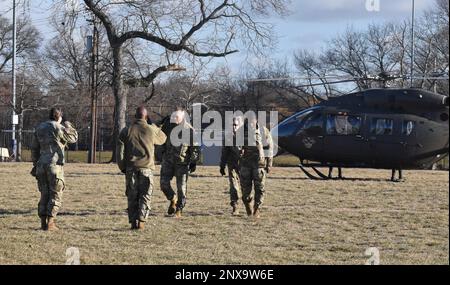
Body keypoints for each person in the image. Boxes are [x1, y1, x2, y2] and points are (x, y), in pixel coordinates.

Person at [117, 106, 167, 230]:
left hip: (131, 168)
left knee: (132, 196)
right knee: (145, 196)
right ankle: (142, 220)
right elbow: (163, 138)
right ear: (146, 116)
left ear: (135, 116)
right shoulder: (150, 130)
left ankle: (133, 221)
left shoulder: (126, 130)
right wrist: (154, 125)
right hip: (147, 169)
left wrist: (122, 166)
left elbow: (120, 151)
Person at [31, 108, 78, 231]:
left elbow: (34, 149)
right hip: (54, 165)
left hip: (41, 165)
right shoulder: (59, 127)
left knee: (44, 194)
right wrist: (67, 124)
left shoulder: (40, 128)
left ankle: (42, 222)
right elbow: (73, 138)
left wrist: (35, 165)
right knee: (56, 194)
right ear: (59, 117)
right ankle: (50, 223)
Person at [160, 108, 200, 218]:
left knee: (181, 188)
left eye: (176, 117)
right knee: (163, 184)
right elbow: (159, 137)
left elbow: (195, 148)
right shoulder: (167, 126)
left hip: (182, 163)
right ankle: (173, 199)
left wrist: (193, 161)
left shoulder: (189, 130)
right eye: (172, 116)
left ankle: (179, 209)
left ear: (182, 118)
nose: (173, 118)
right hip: (167, 161)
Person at [239, 117, 273, 218]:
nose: (250, 125)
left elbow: (269, 147)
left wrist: (269, 163)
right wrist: (239, 151)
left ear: (256, 122)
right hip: (245, 165)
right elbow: (235, 146)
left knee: (260, 189)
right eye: (248, 123)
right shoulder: (240, 132)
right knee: (245, 190)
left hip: (259, 165)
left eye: (252, 123)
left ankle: (257, 209)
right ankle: (248, 207)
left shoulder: (263, 131)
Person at [220, 116, 243, 215]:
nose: (234, 127)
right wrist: (222, 165)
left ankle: (249, 204)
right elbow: (224, 152)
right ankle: (235, 205)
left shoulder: (246, 136)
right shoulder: (228, 138)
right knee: (234, 186)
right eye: (232, 125)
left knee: (246, 187)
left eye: (236, 125)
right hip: (232, 164)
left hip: (244, 165)